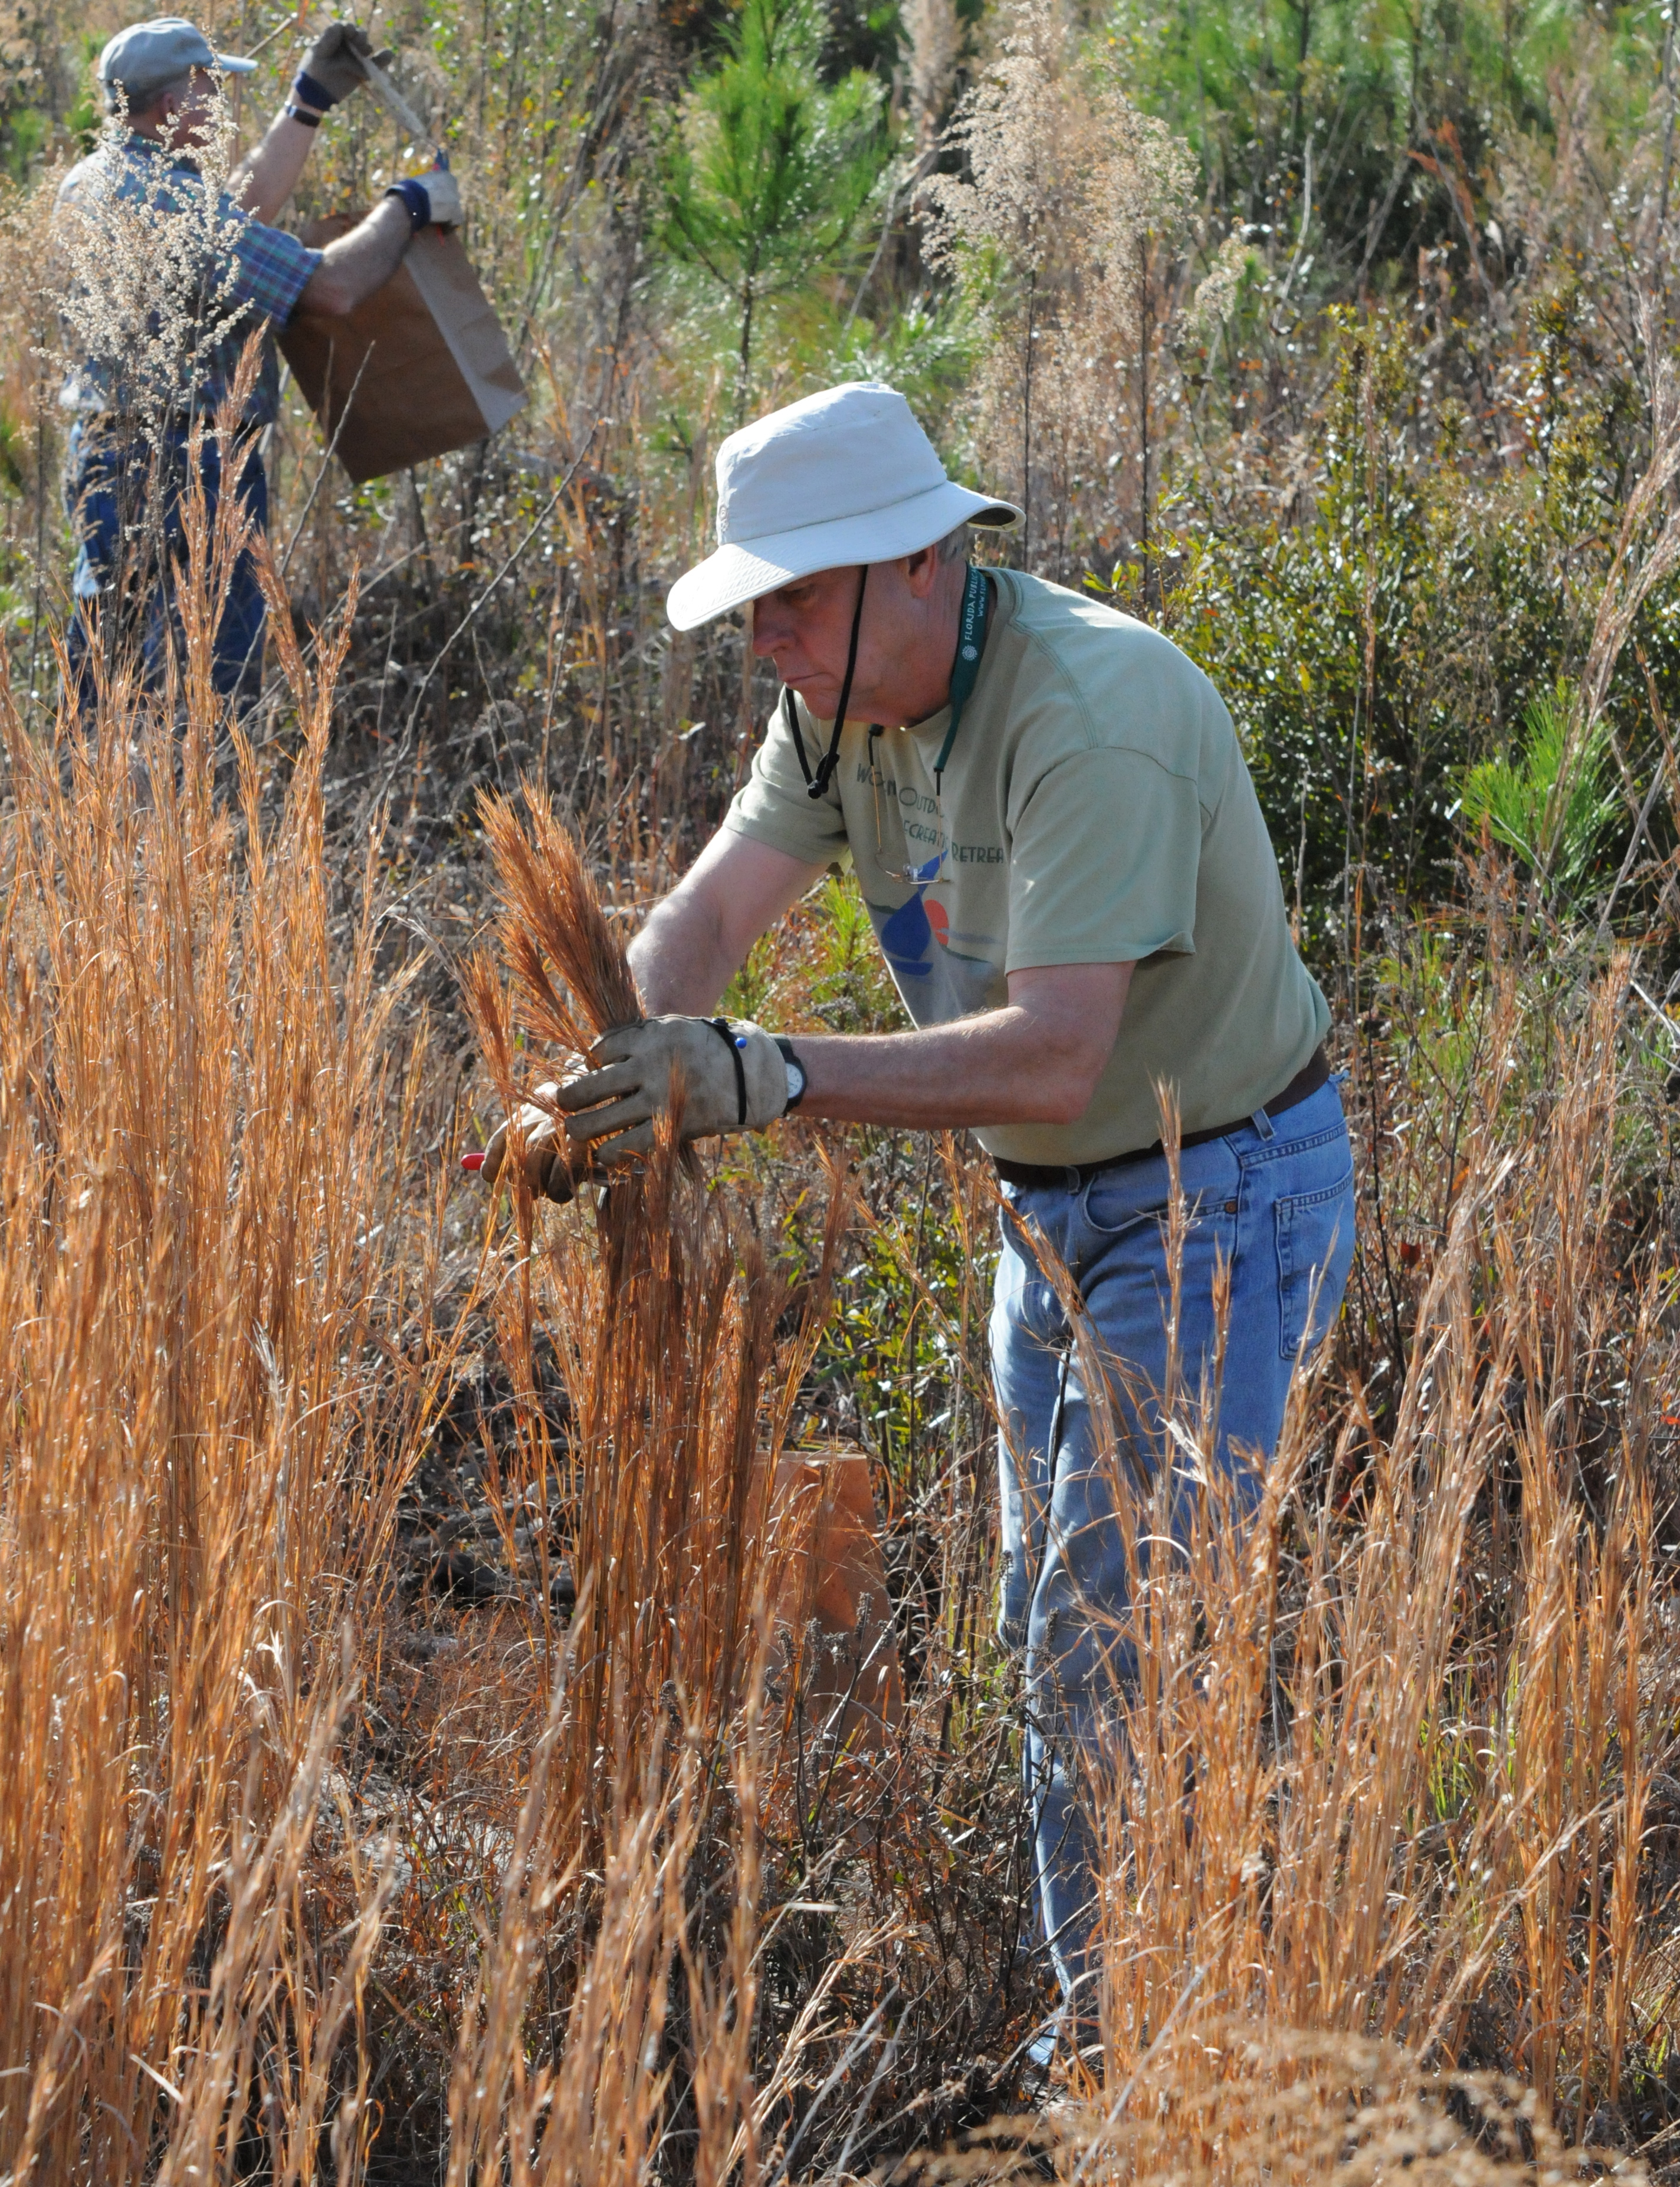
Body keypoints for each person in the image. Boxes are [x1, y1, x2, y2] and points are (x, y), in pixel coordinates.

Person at [483, 381, 1357, 2018]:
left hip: (1214, 1196)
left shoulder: (1090, 709)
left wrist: (768, 1076)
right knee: (1067, 1623)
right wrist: (609, 1062)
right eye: (754, 607)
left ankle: (1135, 2068)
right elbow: (706, 923)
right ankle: (1147, 2012)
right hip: (1053, 1215)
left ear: (924, 564)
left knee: (1110, 1646)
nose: (765, 642)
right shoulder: (838, 712)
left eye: (792, 600)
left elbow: (1052, 1055)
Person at [56, 14, 462, 708]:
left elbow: (234, 216)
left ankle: (99, 811)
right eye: (209, 88)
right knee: (206, 689)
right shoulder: (173, 203)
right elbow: (330, 288)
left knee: (111, 670)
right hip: (189, 466)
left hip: (105, 455)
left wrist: (306, 103)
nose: (219, 101)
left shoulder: (94, 181)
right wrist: (410, 205)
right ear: (169, 106)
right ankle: (188, 810)